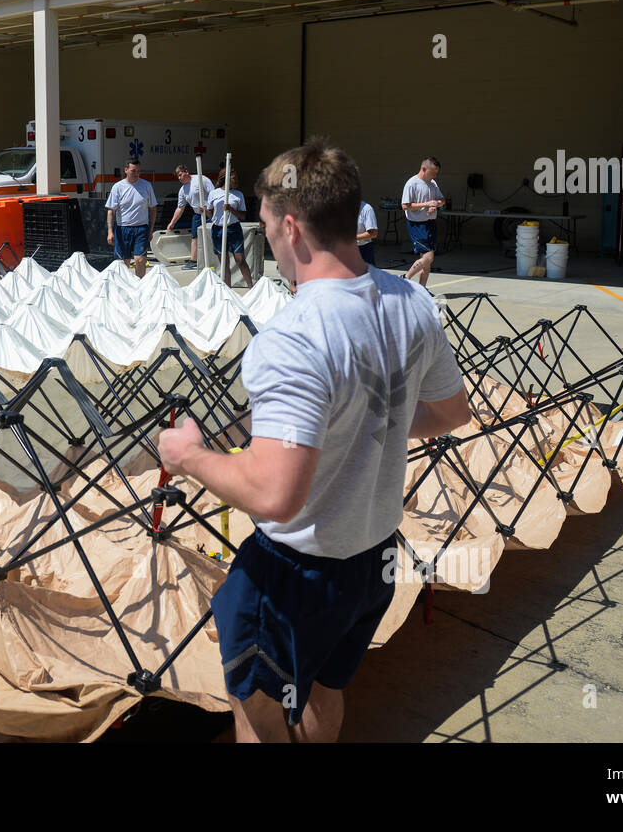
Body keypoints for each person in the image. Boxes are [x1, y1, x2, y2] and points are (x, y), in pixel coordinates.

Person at [158, 138, 470, 743]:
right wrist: (365, 427)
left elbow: (276, 496)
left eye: (268, 223)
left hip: (295, 569)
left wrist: (189, 455)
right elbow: (451, 411)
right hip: (375, 555)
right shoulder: (414, 302)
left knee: (257, 706)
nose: (267, 236)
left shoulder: (293, 337)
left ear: (292, 227)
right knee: (325, 687)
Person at [106, 158, 157, 278]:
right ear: (126, 170)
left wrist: (151, 230)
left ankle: (140, 285)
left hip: (141, 229)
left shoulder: (146, 185)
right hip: (123, 228)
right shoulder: (118, 187)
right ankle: (123, 286)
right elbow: (110, 210)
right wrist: (110, 231)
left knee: (139, 259)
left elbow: (153, 208)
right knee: (124, 262)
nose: (136, 174)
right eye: (133, 171)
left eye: (138, 171)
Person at [204, 168, 255, 288]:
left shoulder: (238, 194)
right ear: (226, 179)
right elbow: (211, 214)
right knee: (224, 263)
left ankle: (251, 287)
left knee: (240, 259)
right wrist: (204, 211)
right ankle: (228, 289)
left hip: (233, 229)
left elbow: (242, 216)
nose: (236, 180)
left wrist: (231, 209)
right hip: (218, 229)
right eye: (234, 178)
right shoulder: (214, 193)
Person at [402, 157, 445, 286]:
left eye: (436, 173)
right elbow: (405, 205)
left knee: (427, 262)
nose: (435, 176)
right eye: (433, 172)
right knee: (429, 257)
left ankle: (422, 289)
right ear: (424, 169)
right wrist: (426, 204)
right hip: (417, 224)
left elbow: (442, 199)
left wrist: (436, 204)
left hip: (430, 223)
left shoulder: (433, 184)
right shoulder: (412, 183)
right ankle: (405, 278)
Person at [165, 164, 215, 270]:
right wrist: (172, 223)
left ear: (186, 172)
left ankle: (215, 260)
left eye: (180, 175)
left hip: (210, 213)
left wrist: (210, 210)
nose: (179, 178)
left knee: (212, 236)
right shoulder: (183, 190)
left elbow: (213, 194)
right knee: (195, 237)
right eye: (177, 176)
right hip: (197, 214)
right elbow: (180, 208)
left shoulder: (201, 179)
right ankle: (193, 261)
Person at [356, 197, 379, 266]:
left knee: (369, 275)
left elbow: (373, 233)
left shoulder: (367, 209)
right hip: (344, 249)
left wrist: (351, 238)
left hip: (363, 249)